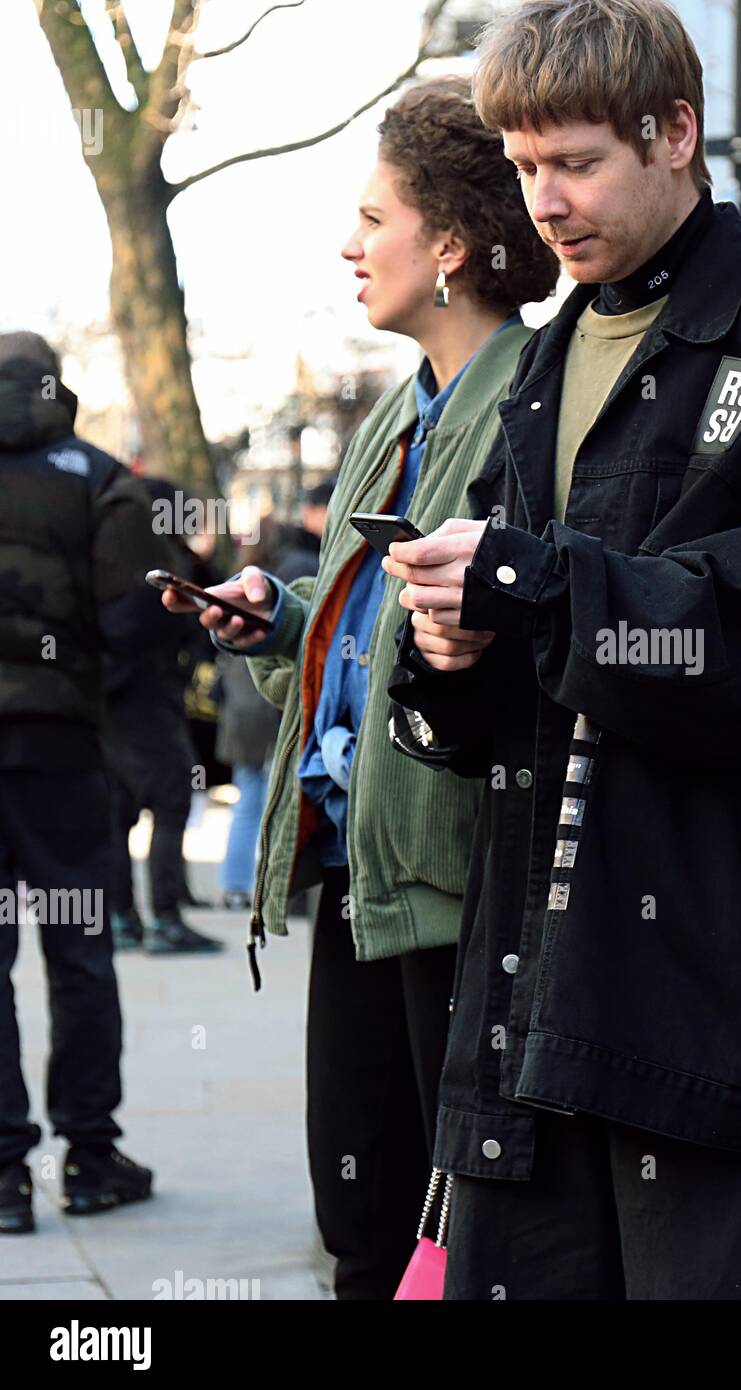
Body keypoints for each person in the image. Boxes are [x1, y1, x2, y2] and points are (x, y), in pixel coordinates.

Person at [384, 0, 741, 1300]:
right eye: (523, 167)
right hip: (536, 1001)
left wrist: (534, 582)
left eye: (574, 161)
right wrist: (453, 658)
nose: (545, 199)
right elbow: (527, 673)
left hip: (718, 1000)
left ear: (676, 132)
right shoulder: (547, 358)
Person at [160, 76, 558, 1297]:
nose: (348, 243)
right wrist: (280, 620)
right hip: (358, 870)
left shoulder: (537, 406)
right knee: (361, 1215)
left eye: (371, 216)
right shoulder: (398, 410)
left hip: (458, 886)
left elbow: (519, 652)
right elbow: (369, 642)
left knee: (462, 1230)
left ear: (446, 244)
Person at [0, 331, 171, 1233]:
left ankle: (2, 1176)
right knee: (77, 950)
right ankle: (92, 1155)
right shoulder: (101, 475)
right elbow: (135, 614)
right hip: (60, 748)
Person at [105, 478, 223, 954]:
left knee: (121, 810)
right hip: (145, 697)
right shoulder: (156, 566)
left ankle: (121, 917)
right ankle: (165, 919)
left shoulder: (113, 557)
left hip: (114, 699)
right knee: (172, 799)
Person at [215, 521, 317, 911]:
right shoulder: (299, 568)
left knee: (248, 799)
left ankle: (236, 885)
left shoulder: (241, 578)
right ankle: (286, 889)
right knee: (284, 798)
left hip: (241, 709)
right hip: (273, 706)